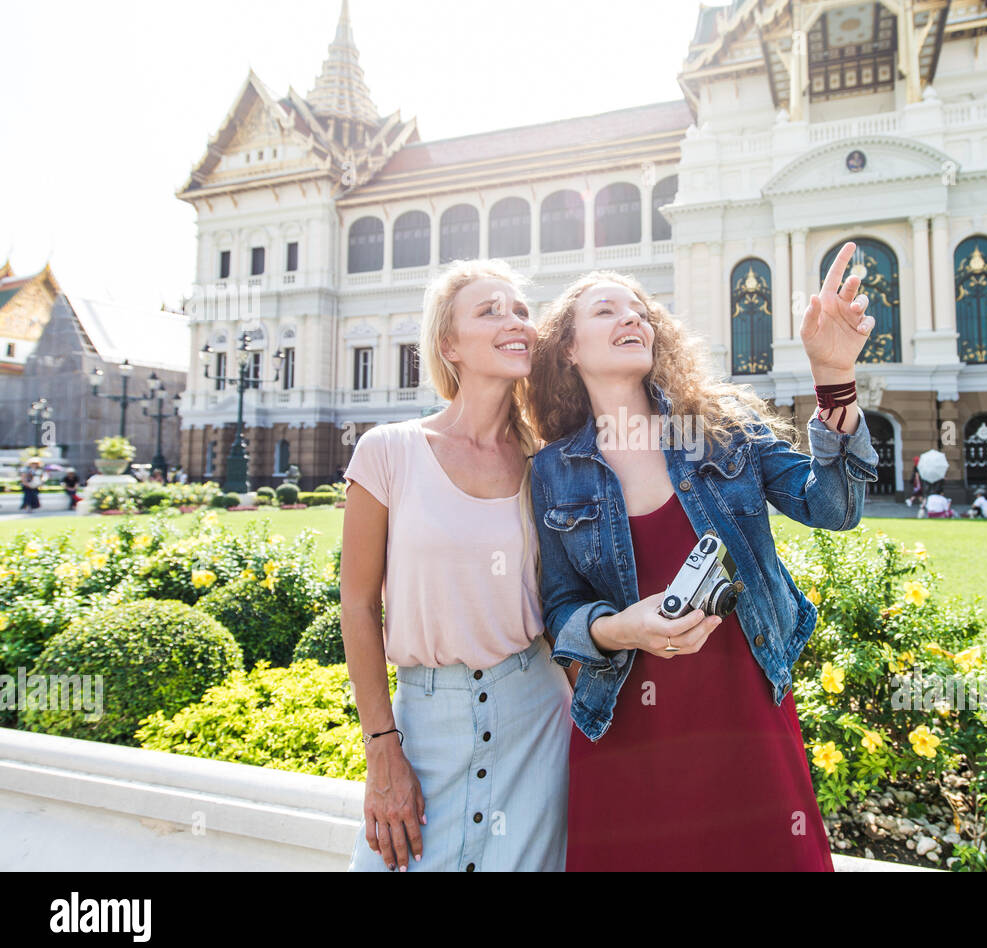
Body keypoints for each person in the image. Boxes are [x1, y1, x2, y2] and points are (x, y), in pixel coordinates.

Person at [528, 241, 879, 872]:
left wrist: (833, 378)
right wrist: (619, 628)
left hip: (742, 706)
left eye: (641, 311)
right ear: (569, 350)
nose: (633, 318)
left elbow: (834, 509)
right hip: (623, 721)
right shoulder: (552, 472)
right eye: (606, 311)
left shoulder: (721, 426)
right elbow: (559, 608)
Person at [340, 261, 572, 873]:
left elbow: (563, 603)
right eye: (490, 310)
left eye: (520, 310)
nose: (515, 321)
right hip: (423, 727)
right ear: (448, 344)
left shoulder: (548, 464)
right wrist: (382, 751)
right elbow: (358, 607)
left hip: (538, 724)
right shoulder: (388, 452)